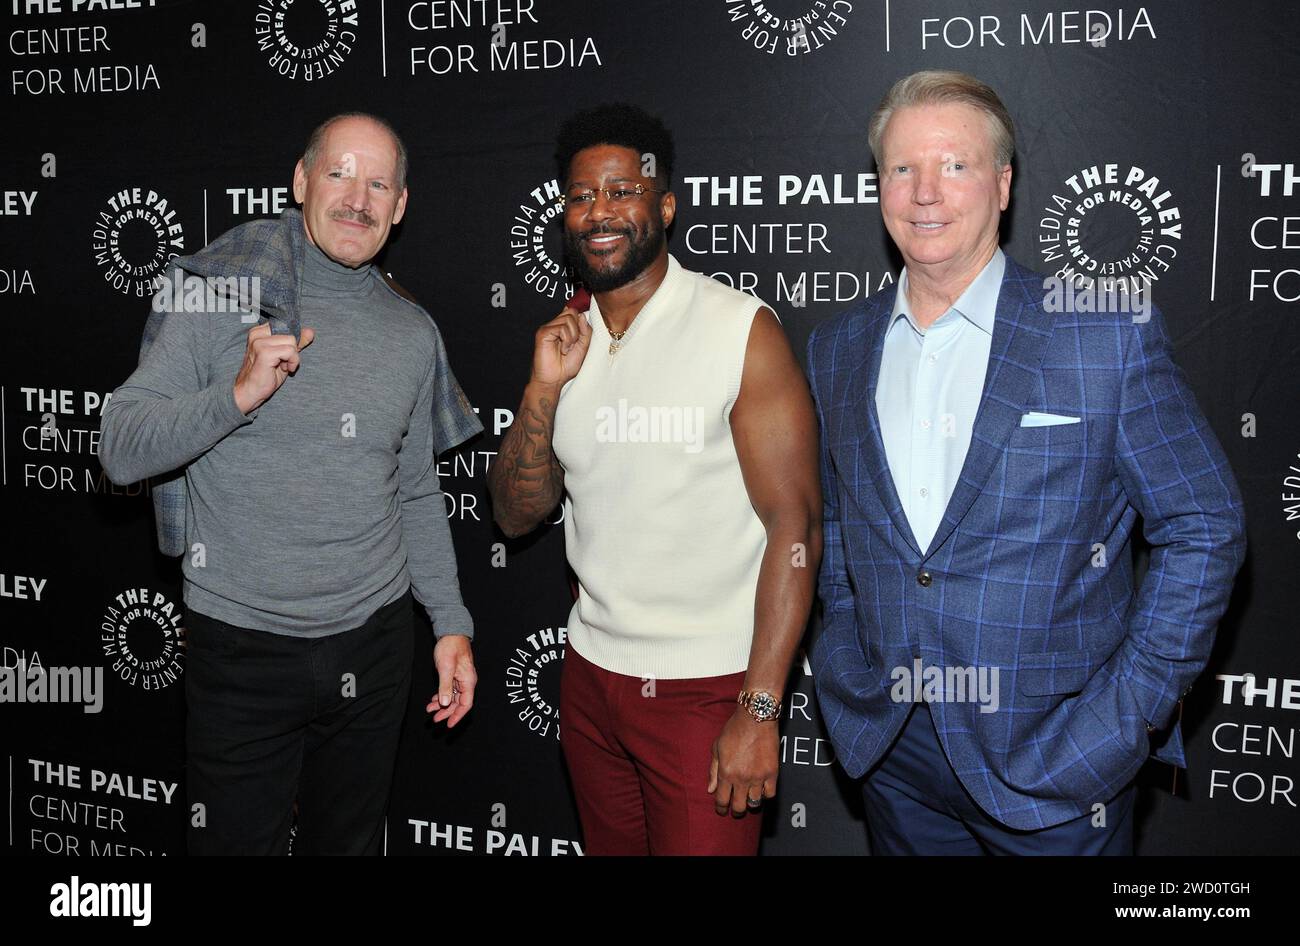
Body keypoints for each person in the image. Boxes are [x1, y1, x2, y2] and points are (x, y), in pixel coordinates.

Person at [806, 71, 1247, 855]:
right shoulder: (838, 347)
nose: (925, 192)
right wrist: (844, 650)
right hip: (893, 754)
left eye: (956, 165)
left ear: (1003, 184)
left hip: (1056, 766)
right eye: (902, 168)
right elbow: (837, 520)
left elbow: (1204, 523)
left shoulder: (1099, 333)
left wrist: (1124, 720)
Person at [99, 112, 481, 855]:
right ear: (301, 181)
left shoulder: (412, 332)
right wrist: (235, 396)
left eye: (379, 183)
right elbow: (119, 446)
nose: (357, 198)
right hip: (240, 647)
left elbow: (413, 491)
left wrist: (452, 622)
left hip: (372, 648)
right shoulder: (213, 296)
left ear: (399, 206)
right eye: (338, 173)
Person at [488, 103, 821, 855]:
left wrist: (761, 708)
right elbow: (514, 515)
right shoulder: (563, 340)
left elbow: (794, 530)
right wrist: (542, 389)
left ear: (663, 206)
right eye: (579, 196)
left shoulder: (739, 329)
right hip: (590, 680)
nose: (598, 211)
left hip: (708, 693)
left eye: (620, 190)